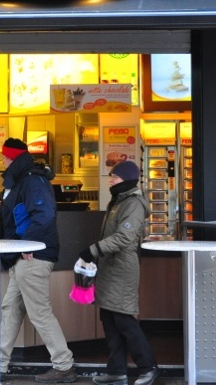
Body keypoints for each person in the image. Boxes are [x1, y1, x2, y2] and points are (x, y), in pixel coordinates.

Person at [0, 138, 76, 383]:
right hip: (24, 254)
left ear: (13, 158)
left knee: (39, 312)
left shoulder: (32, 179)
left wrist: (27, 244)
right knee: (11, 309)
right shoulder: (26, 178)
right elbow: (26, 209)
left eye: (4, 158)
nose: (2, 162)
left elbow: (44, 214)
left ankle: (64, 365)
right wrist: (5, 206)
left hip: (33, 255)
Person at [80, 160, 158, 385]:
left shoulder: (132, 204)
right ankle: (117, 371)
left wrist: (93, 250)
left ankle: (148, 367)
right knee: (109, 318)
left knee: (124, 319)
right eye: (111, 176)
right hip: (109, 267)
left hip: (122, 268)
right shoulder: (118, 201)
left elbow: (124, 238)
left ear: (127, 179)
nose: (110, 180)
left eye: (115, 177)